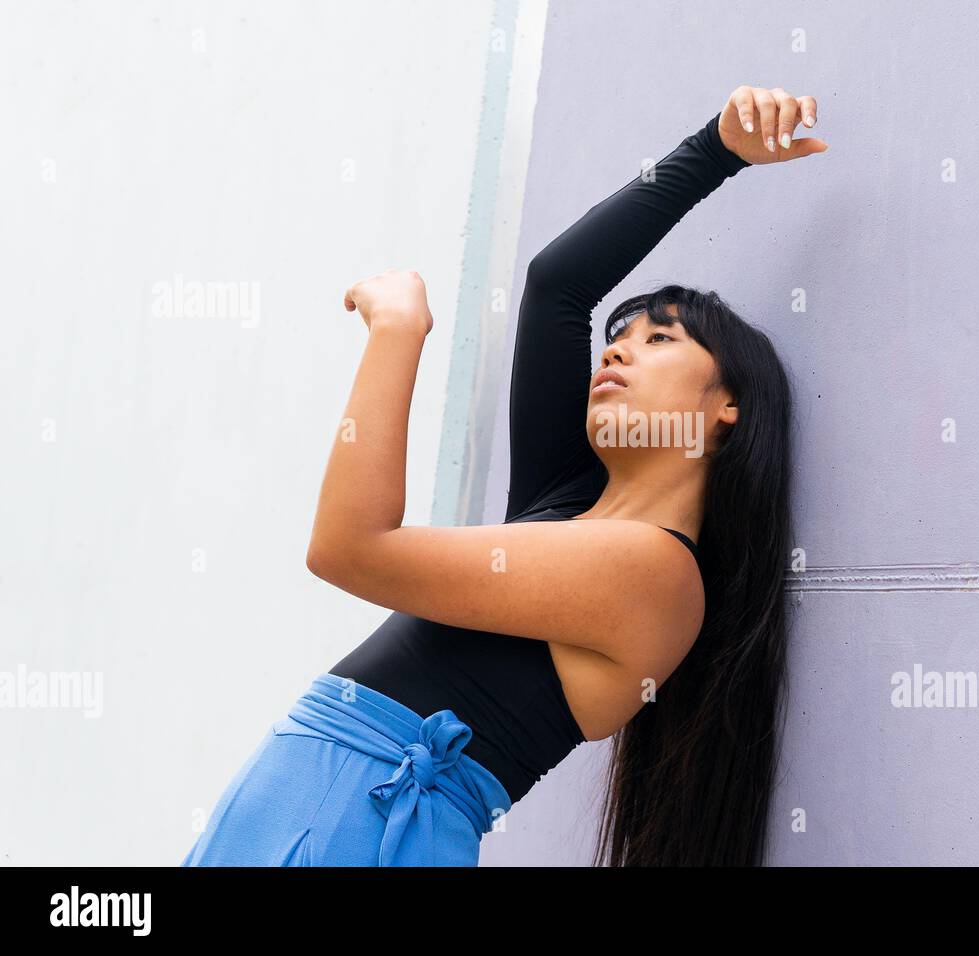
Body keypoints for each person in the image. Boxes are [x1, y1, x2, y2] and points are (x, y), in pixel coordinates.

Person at [181, 85, 824, 867]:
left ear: (728, 406)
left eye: (661, 338)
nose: (617, 351)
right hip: (291, 806)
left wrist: (399, 331)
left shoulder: (654, 574)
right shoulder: (566, 507)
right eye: (619, 339)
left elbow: (348, 548)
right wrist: (717, 150)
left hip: (365, 831)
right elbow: (559, 288)